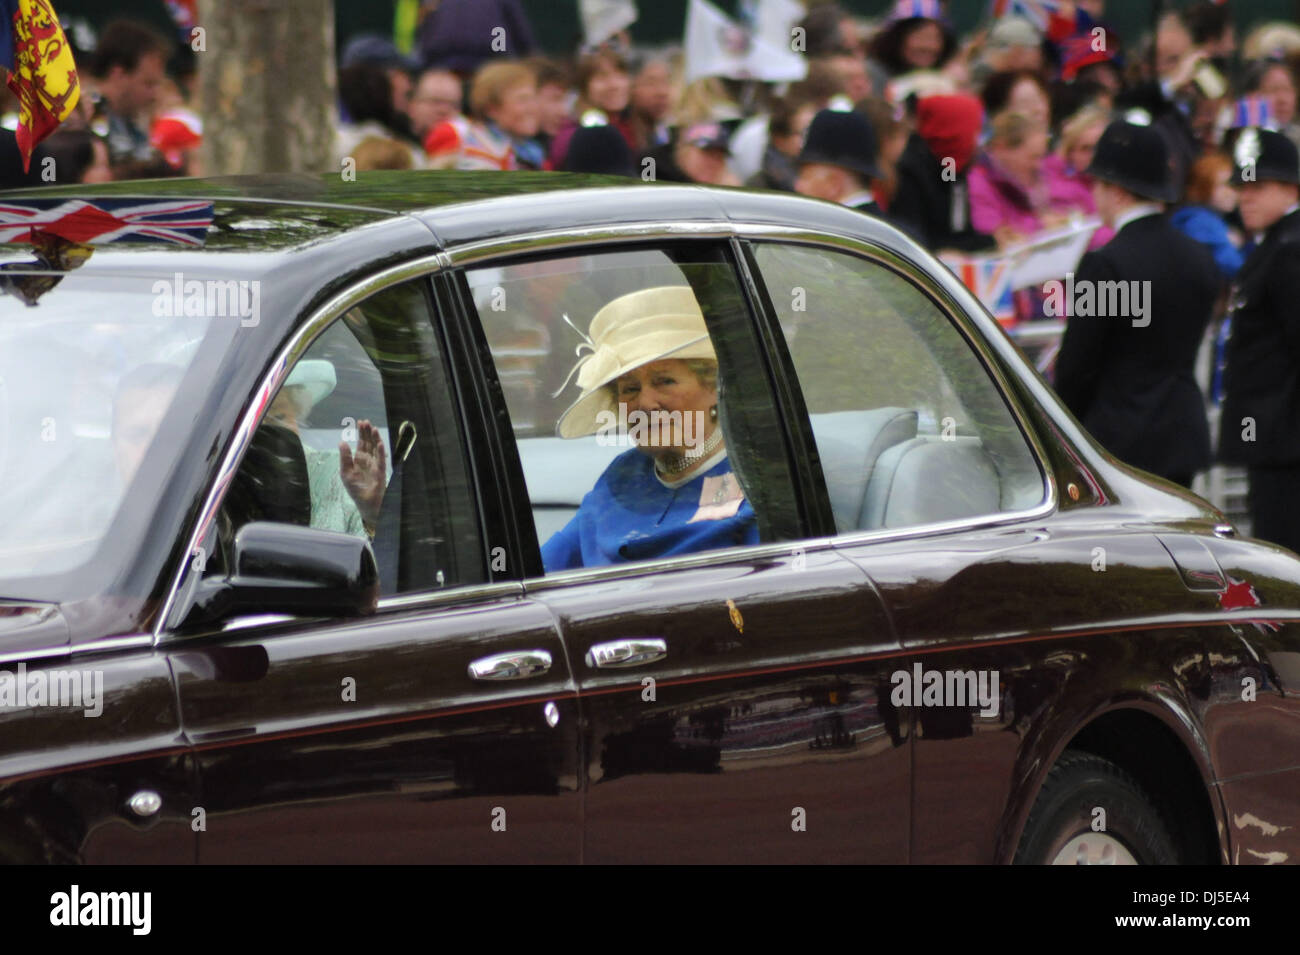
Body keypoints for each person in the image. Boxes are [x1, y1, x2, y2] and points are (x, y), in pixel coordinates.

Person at [542, 286, 758, 571]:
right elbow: (545, 567)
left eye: (665, 381)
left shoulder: (755, 479)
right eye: (630, 388)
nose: (644, 403)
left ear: (713, 388)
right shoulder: (622, 476)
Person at [1054, 119, 1219, 489]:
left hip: (1117, 441)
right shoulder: (1199, 257)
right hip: (1181, 434)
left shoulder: (1105, 263)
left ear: (1115, 190)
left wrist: (1064, 431)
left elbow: (1078, 365)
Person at [1217, 127, 1300, 553]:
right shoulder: (1275, 244)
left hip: (1288, 444)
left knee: (1284, 556)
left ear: (1291, 187)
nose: (1245, 197)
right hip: (1274, 441)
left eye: (1258, 187)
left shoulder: (1290, 248)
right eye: (1241, 187)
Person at [262, 360, 388, 539]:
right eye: (257, 428)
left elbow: (387, 551)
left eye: (279, 416)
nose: (268, 434)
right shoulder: (221, 481)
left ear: (296, 413)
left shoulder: (344, 474)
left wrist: (373, 516)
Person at [890, 92, 996, 252]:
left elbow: (957, 232)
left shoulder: (952, 168)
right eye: (975, 133)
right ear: (954, 133)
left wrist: (991, 241)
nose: (979, 143)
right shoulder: (911, 173)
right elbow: (916, 240)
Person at [89, 20, 171, 174]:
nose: (155, 95)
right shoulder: (85, 120)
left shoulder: (134, 124)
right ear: (119, 75)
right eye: (148, 84)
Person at [1170, 151, 1244, 280]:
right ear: (1203, 187)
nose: (1232, 192)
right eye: (1224, 185)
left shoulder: (1210, 219)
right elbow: (1235, 268)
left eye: (1236, 186)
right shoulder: (1200, 222)